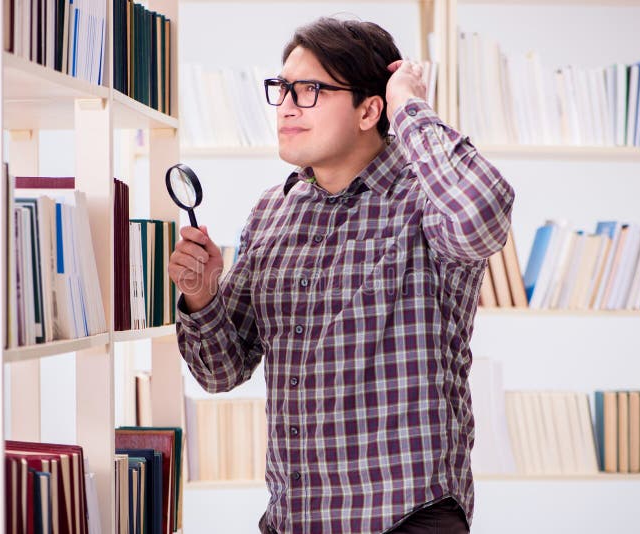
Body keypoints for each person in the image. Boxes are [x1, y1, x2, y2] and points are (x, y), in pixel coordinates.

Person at [169, 16, 514, 534]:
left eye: (309, 90)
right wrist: (200, 294)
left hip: (406, 518)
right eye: (282, 89)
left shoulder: (425, 201)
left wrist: (409, 105)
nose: (286, 105)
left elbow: (482, 212)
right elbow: (221, 371)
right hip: (293, 520)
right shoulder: (272, 211)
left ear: (369, 109)